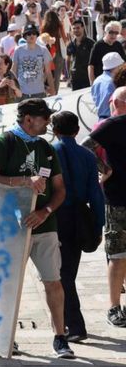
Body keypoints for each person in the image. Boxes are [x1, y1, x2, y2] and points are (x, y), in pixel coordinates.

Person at [0, 98, 73, 359]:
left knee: (54, 282)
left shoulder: (45, 147)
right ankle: (5, 336)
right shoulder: (4, 142)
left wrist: (45, 212)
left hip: (45, 225)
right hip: (10, 225)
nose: (48, 122)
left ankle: (60, 337)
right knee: (8, 283)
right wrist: (22, 180)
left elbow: (59, 189)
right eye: (44, 117)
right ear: (29, 118)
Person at [49, 111, 105, 341]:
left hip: (57, 216)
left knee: (62, 276)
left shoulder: (50, 152)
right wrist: (98, 225)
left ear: (55, 130)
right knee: (68, 272)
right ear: (76, 130)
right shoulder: (88, 156)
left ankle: (74, 326)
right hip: (81, 216)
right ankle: (70, 324)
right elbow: (96, 194)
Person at [83, 86, 126, 327]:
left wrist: (104, 169)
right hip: (117, 197)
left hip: (118, 197)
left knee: (119, 255)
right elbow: (86, 147)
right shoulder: (113, 125)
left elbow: (85, 147)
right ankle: (114, 306)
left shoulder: (112, 124)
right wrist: (105, 168)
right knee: (119, 254)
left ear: (116, 103)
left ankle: (115, 307)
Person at [12, 23, 55, 98]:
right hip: (22, 92)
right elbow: (13, 71)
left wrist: (52, 89)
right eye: (28, 34)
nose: (31, 35)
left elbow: (48, 72)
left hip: (39, 92)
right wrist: (13, 90)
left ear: (37, 35)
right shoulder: (18, 50)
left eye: (34, 33)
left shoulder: (43, 50)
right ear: (25, 36)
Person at [88, 20, 126, 86]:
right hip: (102, 81)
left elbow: (124, 64)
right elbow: (91, 66)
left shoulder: (118, 45)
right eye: (111, 32)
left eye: (116, 33)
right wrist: (93, 83)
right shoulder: (98, 45)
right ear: (105, 32)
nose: (113, 35)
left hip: (116, 82)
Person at [92, 52, 123, 120]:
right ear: (116, 67)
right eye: (121, 66)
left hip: (101, 119)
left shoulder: (97, 80)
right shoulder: (114, 81)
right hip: (113, 119)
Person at [66, 19, 95, 90]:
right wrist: (69, 76)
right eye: (74, 28)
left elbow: (96, 60)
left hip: (87, 77)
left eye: (78, 28)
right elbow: (68, 60)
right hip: (75, 77)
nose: (76, 30)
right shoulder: (70, 44)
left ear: (83, 28)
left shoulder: (91, 43)